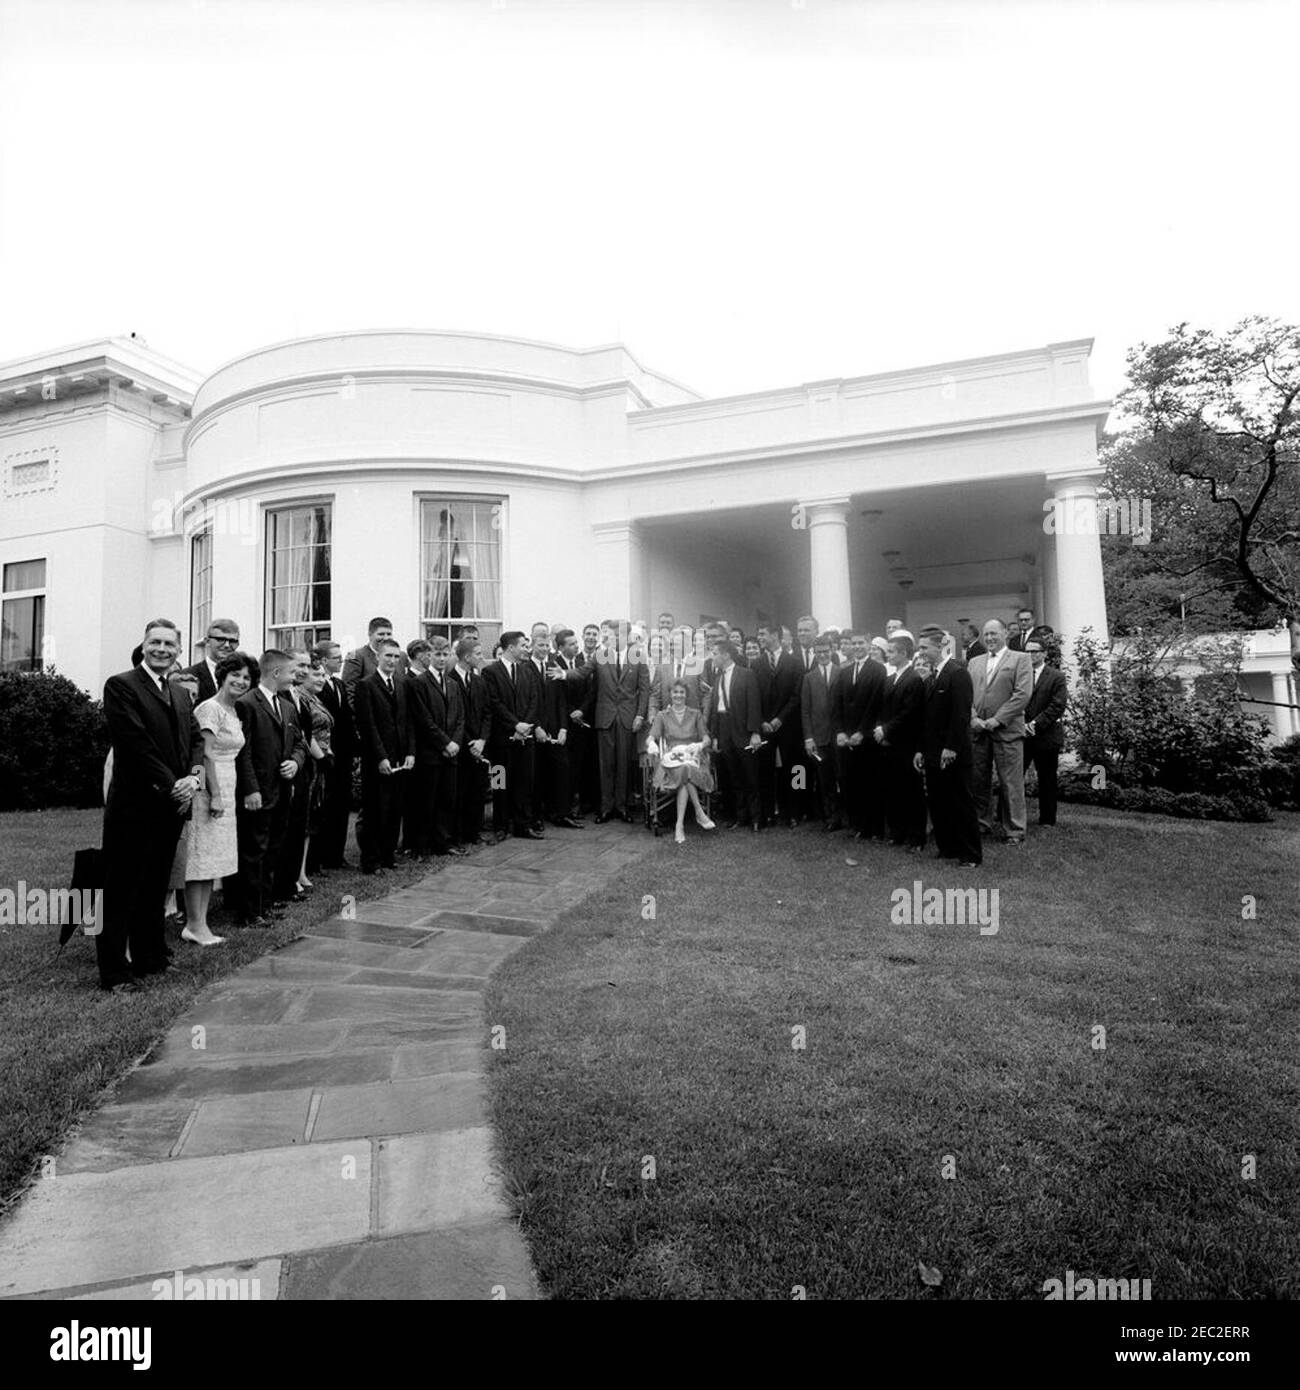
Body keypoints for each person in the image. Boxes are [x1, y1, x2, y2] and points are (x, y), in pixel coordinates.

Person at [98, 619, 205, 992]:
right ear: (143, 645)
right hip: (134, 806)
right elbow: (135, 742)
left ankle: (151, 959)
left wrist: (194, 778)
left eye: (169, 644)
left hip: (171, 806)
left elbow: (195, 740)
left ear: (179, 651)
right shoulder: (121, 686)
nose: (162, 649)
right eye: (155, 642)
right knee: (121, 888)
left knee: (155, 886)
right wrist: (171, 782)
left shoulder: (178, 693)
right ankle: (113, 972)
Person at [180, 652, 254, 945]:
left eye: (247, 677)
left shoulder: (234, 711)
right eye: (235, 674)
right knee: (200, 859)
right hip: (209, 790)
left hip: (227, 783)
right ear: (222, 676)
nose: (241, 681)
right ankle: (195, 925)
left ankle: (199, 923)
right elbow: (204, 754)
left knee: (212, 861)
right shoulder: (210, 709)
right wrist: (213, 795)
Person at [234, 648, 306, 923]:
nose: (294, 677)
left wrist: (296, 763)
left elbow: (299, 741)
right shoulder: (248, 703)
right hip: (258, 791)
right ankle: (249, 911)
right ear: (276, 673)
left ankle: (265, 903)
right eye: (291, 672)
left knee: (274, 847)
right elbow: (245, 751)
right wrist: (251, 788)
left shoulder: (286, 705)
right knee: (255, 851)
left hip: (282, 790)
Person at [913, 629, 981, 867]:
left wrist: (951, 747)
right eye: (919, 648)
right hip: (932, 752)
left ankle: (970, 854)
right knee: (939, 801)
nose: (920, 652)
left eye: (924, 648)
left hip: (953, 752)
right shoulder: (932, 677)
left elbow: (960, 715)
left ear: (939, 646)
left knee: (960, 801)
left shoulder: (957, 674)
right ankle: (948, 847)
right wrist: (921, 749)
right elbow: (927, 719)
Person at [968, 618, 1033, 844]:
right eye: (986, 634)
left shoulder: (1021, 659)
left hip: (1007, 731)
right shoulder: (974, 662)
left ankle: (1014, 829)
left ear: (1005, 633)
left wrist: (998, 719)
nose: (990, 638)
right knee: (979, 781)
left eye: (994, 634)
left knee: (1010, 783)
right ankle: (981, 823)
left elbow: (1022, 695)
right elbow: (966, 695)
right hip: (978, 732)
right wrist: (974, 718)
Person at [353, 637, 414, 871]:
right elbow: (367, 726)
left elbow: (408, 721)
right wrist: (381, 757)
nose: (392, 660)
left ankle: (388, 856)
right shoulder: (366, 685)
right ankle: (371, 860)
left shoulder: (402, 682)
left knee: (395, 809)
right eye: (388, 655)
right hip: (377, 759)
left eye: (396, 657)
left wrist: (410, 752)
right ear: (377, 656)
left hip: (400, 757)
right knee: (375, 811)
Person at [481, 630, 545, 839]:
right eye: (523, 646)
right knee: (500, 783)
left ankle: (522, 825)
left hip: (525, 740)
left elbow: (534, 700)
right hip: (501, 742)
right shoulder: (491, 672)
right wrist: (515, 725)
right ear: (510, 647)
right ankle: (500, 826)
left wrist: (526, 726)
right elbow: (494, 702)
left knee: (524, 783)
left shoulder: (527, 671)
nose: (527, 649)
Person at [592, 619, 649, 824]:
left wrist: (640, 715)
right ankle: (606, 808)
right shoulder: (600, 655)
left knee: (624, 764)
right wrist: (564, 674)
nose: (617, 638)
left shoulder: (638, 656)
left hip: (627, 717)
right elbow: (583, 672)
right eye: (614, 635)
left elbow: (644, 690)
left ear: (627, 636)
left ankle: (622, 807)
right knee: (606, 764)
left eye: (622, 635)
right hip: (605, 717)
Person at [874, 634, 926, 851]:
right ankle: (898, 832)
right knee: (894, 788)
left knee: (911, 791)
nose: (889, 655)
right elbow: (883, 709)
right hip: (890, 743)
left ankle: (917, 837)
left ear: (904, 653)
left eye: (893, 651)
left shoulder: (914, 679)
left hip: (906, 743)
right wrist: (880, 728)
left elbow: (909, 713)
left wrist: (886, 730)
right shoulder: (889, 679)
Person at [647, 680, 715, 843]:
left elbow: (706, 738)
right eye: (675, 692)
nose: (678, 695)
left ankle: (680, 826)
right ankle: (698, 812)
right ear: (670, 694)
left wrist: (700, 744)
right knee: (684, 770)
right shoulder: (662, 715)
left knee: (686, 771)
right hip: (672, 761)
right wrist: (651, 744)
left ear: (686, 695)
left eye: (681, 692)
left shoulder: (695, 714)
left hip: (692, 756)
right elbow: (651, 736)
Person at [309, 639, 356, 872]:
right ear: (324, 660)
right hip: (325, 755)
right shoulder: (316, 688)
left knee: (341, 805)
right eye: (337, 657)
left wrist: (354, 750)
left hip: (343, 756)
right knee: (324, 806)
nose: (341, 661)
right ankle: (319, 857)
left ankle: (337, 855)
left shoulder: (338, 684)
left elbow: (346, 719)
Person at [706, 639, 763, 830]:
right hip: (724, 729)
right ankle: (741, 816)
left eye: (715, 653)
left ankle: (756, 818)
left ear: (726, 655)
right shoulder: (718, 678)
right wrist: (715, 736)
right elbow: (715, 709)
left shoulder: (747, 674)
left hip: (743, 730)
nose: (712, 657)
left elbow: (754, 704)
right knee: (734, 776)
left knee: (751, 776)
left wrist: (755, 732)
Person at [273, 649, 314, 904]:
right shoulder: (279, 696)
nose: (305, 671)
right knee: (283, 831)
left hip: (300, 768)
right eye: (299, 665)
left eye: (308, 666)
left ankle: (290, 884)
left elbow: (302, 738)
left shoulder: (297, 696)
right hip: (284, 772)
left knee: (298, 827)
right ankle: (280, 886)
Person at [755, 621, 804, 827]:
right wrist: (763, 722)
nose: (760, 638)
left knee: (794, 769)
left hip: (788, 726)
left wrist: (780, 718)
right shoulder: (757, 664)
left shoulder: (794, 662)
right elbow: (754, 695)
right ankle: (768, 813)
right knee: (765, 770)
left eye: (763, 634)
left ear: (775, 635)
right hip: (765, 727)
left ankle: (794, 811)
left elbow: (796, 695)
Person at [449, 636, 492, 845]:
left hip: (479, 747)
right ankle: (457, 834)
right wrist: (470, 743)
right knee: (460, 792)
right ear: (466, 657)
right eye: (478, 653)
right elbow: (456, 718)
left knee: (478, 790)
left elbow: (487, 713)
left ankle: (473, 833)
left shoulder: (479, 681)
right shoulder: (450, 680)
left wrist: (482, 740)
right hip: (461, 746)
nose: (481, 657)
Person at [295, 660, 334, 888]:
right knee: (303, 820)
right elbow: (305, 733)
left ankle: (301, 872)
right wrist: (321, 756)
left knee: (311, 820)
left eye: (322, 675)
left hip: (321, 763)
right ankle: (295, 873)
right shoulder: (299, 699)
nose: (321, 679)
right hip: (309, 762)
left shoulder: (315, 698)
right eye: (316, 675)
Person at [1023, 637, 1068, 827]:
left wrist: (1035, 724)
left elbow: (1057, 706)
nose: (1031, 655)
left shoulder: (1056, 677)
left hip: (1046, 735)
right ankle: (1005, 815)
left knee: (1047, 779)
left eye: (1035, 651)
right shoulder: (1020, 675)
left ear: (1044, 653)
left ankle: (1047, 820)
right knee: (1013, 777)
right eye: (1027, 652)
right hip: (1021, 734)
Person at [801, 634, 842, 831]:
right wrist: (809, 737)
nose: (823, 655)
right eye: (819, 652)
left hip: (839, 736)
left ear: (832, 651)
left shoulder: (841, 673)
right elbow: (805, 711)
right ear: (815, 654)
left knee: (842, 777)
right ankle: (830, 817)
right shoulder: (808, 678)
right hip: (819, 737)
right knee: (824, 779)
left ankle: (846, 815)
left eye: (826, 651)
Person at [342, 616, 409, 704]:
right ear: (370, 635)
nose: (385, 638)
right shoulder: (356, 656)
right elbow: (350, 692)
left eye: (389, 634)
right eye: (381, 634)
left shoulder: (401, 656)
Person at [185, 619, 241, 703]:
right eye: (220, 639)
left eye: (232, 641)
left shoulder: (245, 679)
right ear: (207, 641)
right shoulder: (188, 676)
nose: (227, 645)